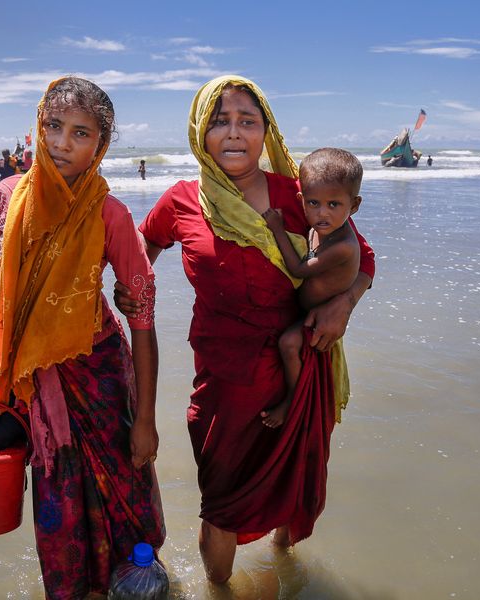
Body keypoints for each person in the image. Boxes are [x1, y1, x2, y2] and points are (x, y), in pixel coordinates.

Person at [117, 75, 375, 583]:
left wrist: (345, 303)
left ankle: (285, 564)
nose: (233, 133)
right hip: (225, 380)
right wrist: (134, 294)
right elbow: (143, 245)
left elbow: (361, 255)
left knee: (294, 478)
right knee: (220, 503)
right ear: (199, 131)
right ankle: (219, 590)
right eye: (219, 121)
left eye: (246, 122)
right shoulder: (181, 200)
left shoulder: (298, 196)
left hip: (298, 366)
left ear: (265, 133)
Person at [0, 76, 165, 599]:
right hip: (35, 380)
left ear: (101, 144)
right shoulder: (7, 200)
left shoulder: (109, 214)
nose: (62, 143)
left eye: (81, 133)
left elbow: (142, 316)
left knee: (124, 483)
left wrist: (145, 419)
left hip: (99, 375)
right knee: (57, 485)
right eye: (54, 126)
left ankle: (134, 579)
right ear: (38, 127)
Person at [259, 148, 362, 428]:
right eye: (313, 203)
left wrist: (278, 229)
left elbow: (298, 269)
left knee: (288, 343)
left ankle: (291, 400)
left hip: (315, 318)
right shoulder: (322, 228)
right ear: (301, 200)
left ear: (354, 206)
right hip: (304, 309)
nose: (322, 214)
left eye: (333, 204)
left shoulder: (342, 245)